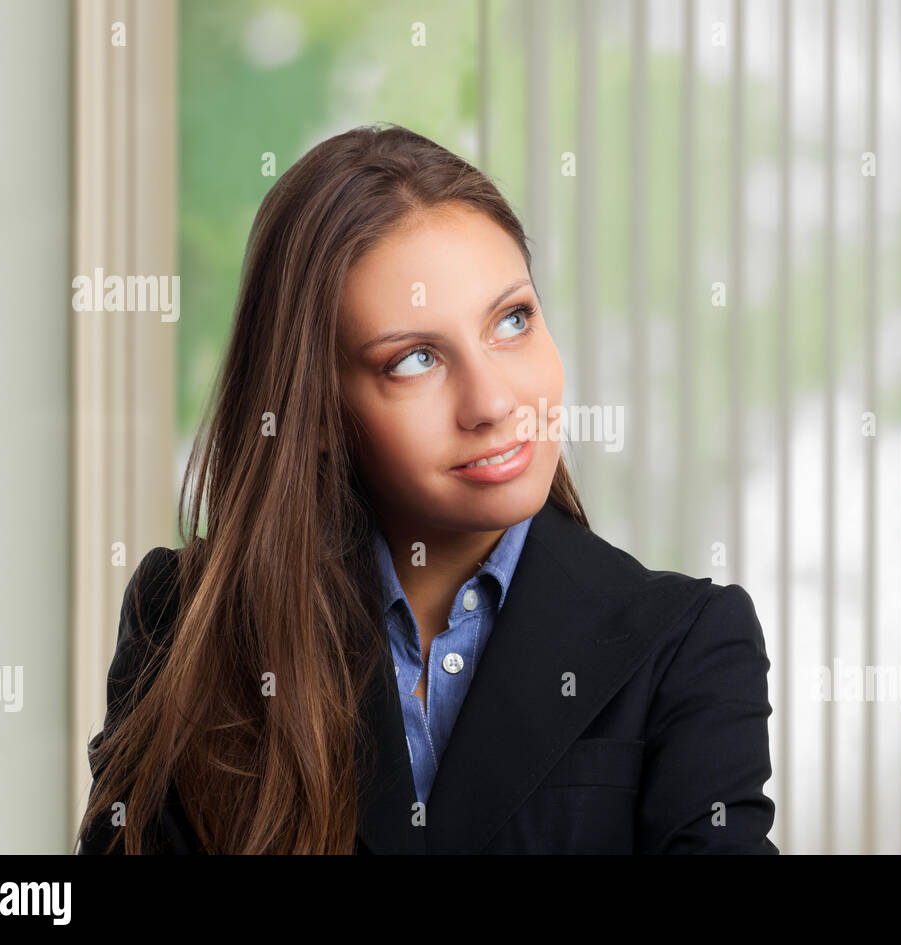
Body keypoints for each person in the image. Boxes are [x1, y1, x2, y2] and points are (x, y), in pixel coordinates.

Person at [76, 122, 777, 854]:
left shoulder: (687, 646)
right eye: (414, 359)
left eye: (513, 320)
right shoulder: (185, 621)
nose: (494, 401)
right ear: (316, 411)